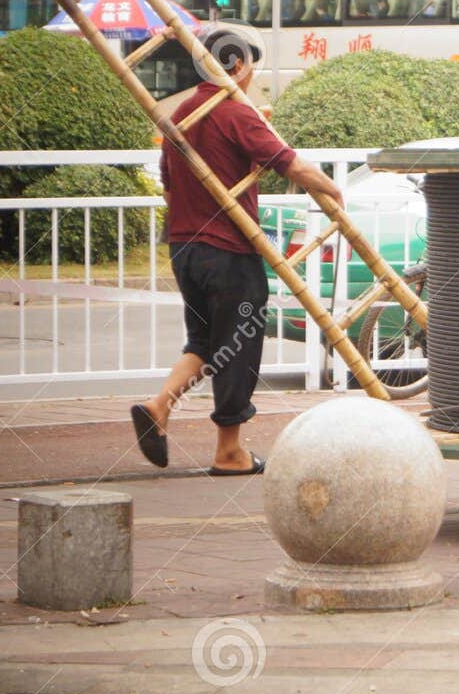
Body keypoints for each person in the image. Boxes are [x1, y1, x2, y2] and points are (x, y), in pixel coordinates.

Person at [130, 34, 344, 474]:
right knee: (238, 344)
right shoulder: (236, 113)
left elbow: (170, 189)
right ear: (239, 66)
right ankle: (229, 452)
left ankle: (158, 405)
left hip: (185, 248)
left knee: (206, 342)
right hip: (227, 252)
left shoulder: (180, 115)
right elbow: (293, 165)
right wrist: (334, 188)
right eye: (252, 69)